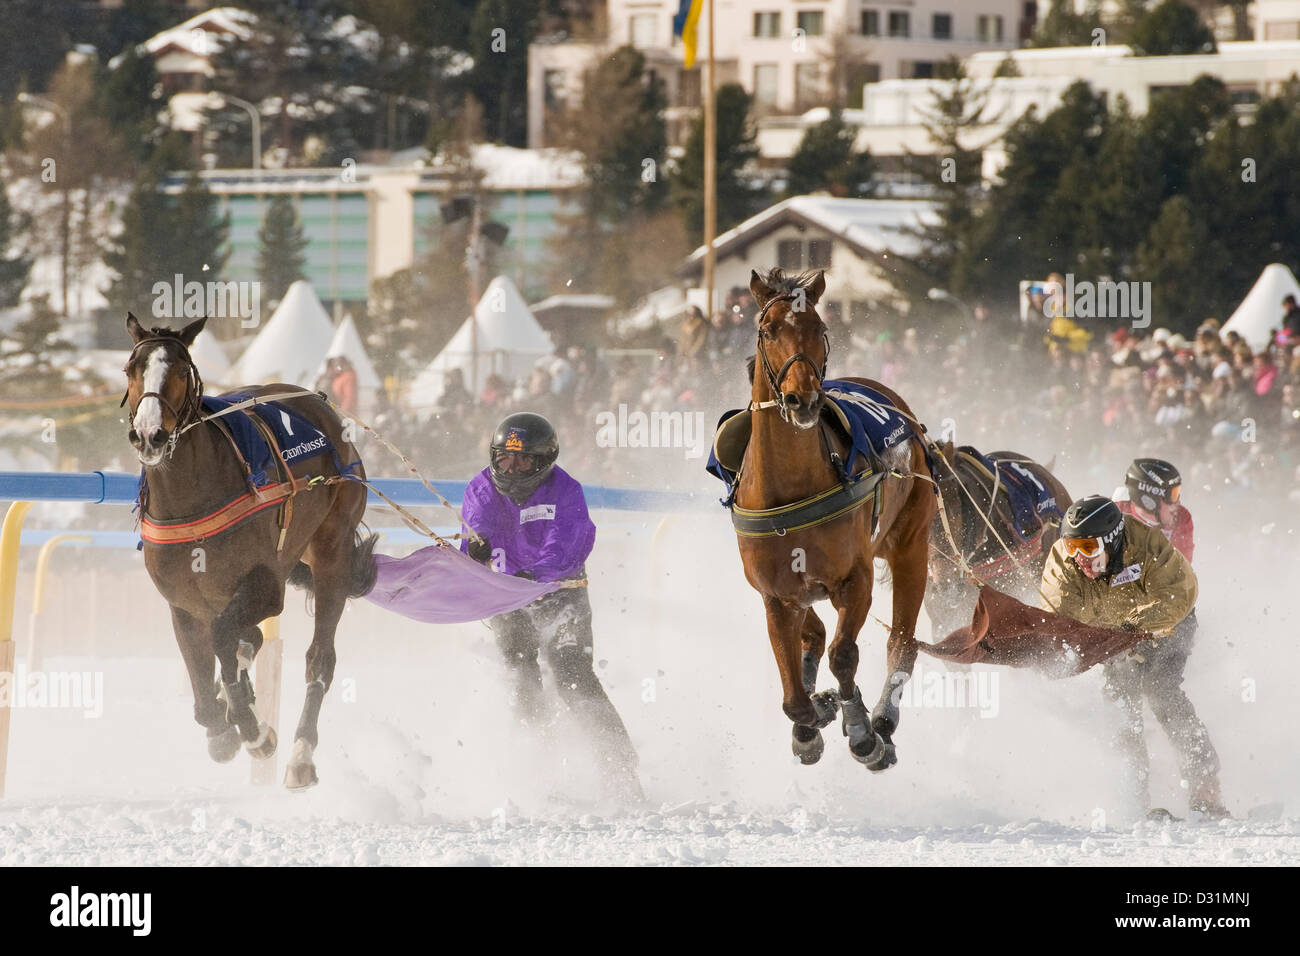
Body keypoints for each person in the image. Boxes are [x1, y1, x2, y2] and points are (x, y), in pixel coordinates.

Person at [461, 412, 642, 801]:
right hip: (507, 596)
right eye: (504, 458)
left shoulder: (566, 490)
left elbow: (568, 542)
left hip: (562, 592)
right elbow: (476, 533)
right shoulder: (480, 488)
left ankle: (620, 770)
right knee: (521, 679)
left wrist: (537, 577)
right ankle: (540, 772)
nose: (511, 468)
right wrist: (474, 552)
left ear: (544, 460)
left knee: (573, 676)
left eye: (523, 460)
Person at [1040, 495, 1227, 819]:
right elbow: (1057, 616)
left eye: (1087, 547)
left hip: (1168, 622)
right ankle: (1132, 793)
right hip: (1113, 635)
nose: (1079, 557)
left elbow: (1178, 595)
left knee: (1161, 690)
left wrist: (1133, 630)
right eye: (1072, 546)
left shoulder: (1146, 545)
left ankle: (1206, 788)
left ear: (1111, 540)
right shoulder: (1064, 561)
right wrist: (1060, 650)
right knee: (1120, 701)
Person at [1114, 458, 1193, 561]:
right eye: (1173, 495)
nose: (1178, 503)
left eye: (1177, 493)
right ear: (1150, 499)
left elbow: (1181, 571)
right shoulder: (1113, 514)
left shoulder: (1181, 518)